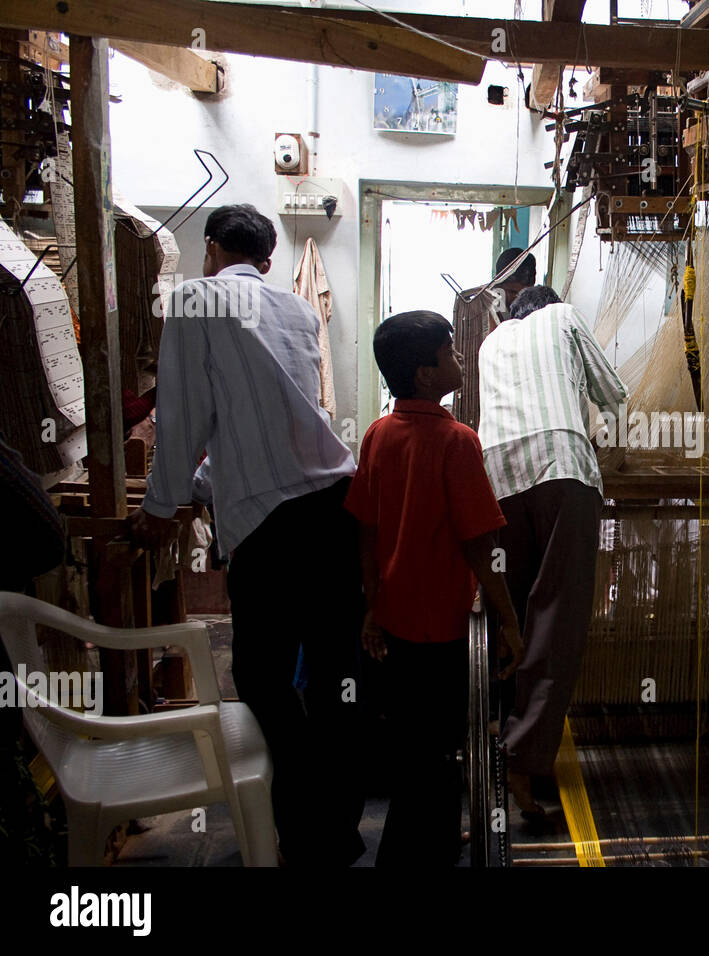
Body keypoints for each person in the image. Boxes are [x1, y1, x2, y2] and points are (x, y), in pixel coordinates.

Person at [128, 203, 365, 866]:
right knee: (334, 678)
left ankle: (299, 828)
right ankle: (338, 833)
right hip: (332, 505)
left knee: (261, 679)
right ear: (265, 260)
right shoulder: (295, 309)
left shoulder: (196, 299)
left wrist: (160, 504)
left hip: (273, 524)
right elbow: (256, 421)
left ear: (210, 250)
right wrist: (195, 486)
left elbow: (182, 416)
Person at [344, 310, 523, 866]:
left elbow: (367, 532)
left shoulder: (377, 435)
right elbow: (479, 546)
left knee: (415, 749)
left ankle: (430, 839)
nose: (459, 359)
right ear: (425, 373)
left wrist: (372, 608)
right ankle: (411, 853)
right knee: (437, 752)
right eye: (449, 351)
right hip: (442, 630)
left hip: (395, 624)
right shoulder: (456, 441)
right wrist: (510, 621)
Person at [477, 284, 627, 813]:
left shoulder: (490, 343)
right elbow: (613, 393)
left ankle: (498, 726)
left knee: (513, 611)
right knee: (557, 616)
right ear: (550, 305)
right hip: (560, 466)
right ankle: (522, 760)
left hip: (495, 475)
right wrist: (619, 449)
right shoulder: (564, 315)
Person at [452, 249, 536, 433]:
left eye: (522, 293)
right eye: (511, 292)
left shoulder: (537, 308)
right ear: (497, 283)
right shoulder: (485, 307)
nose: (516, 298)